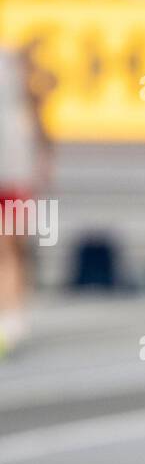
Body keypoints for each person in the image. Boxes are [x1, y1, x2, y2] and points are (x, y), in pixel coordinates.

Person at [0, 40, 55, 357]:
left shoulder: (14, 63)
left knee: (12, 246)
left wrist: (45, 160)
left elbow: (39, 110)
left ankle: (13, 315)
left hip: (14, 173)